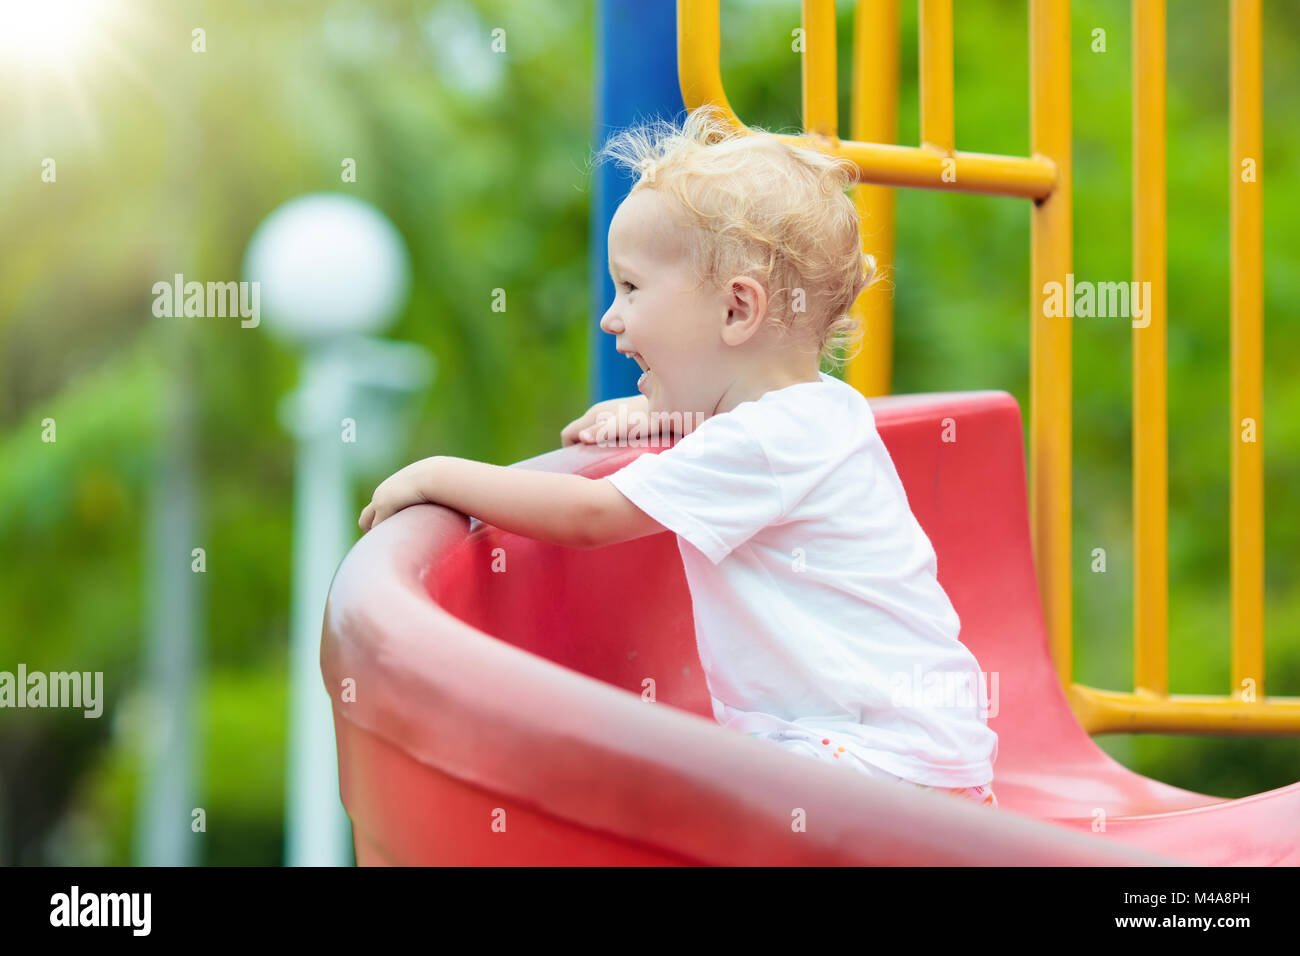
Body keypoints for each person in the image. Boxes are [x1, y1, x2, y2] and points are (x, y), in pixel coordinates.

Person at [359, 105, 998, 808]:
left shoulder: (765, 441)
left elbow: (592, 514)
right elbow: (736, 435)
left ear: (736, 311)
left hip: (876, 769)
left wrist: (439, 474)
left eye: (630, 287)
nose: (611, 317)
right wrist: (663, 415)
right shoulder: (817, 412)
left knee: (660, 789)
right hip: (920, 762)